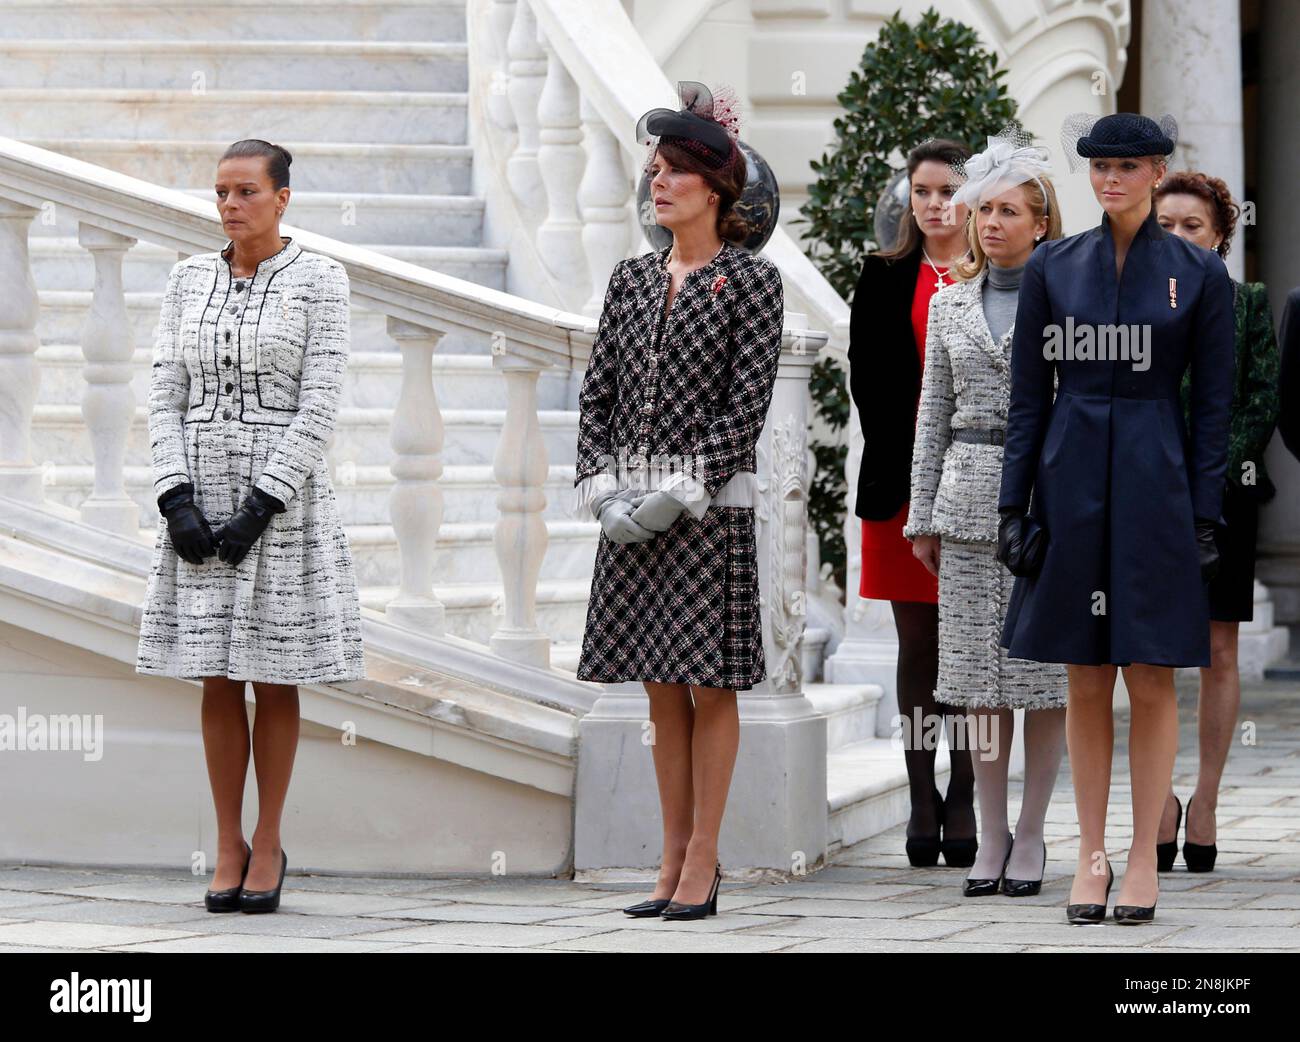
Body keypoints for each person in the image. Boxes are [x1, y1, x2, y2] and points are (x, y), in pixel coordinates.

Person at [997, 113, 1234, 925]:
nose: (1110, 180)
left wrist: (1206, 514)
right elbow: (1028, 399)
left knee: (1153, 673)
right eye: (1099, 167)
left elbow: (1215, 410)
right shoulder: (1053, 266)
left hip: (1157, 480)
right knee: (1085, 674)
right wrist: (1011, 504)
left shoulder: (1201, 277)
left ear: (1158, 170)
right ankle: (1090, 854)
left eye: (1128, 167)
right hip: (1068, 481)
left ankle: (1143, 858)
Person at [570, 83, 784, 921]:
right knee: (658, 686)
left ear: (715, 188)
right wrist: (604, 490)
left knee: (710, 686)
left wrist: (677, 493)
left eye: (672, 174)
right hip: (627, 509)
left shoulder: (751, 282)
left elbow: (747, 407)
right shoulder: (629, 279)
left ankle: (704, 858)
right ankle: (667, 855)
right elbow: (598, 397)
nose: (657, 185)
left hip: (707, 511)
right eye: (653, 172)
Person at [136, 139, 365, 914]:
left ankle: (269, 841)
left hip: (282, 504)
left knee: (274, 669)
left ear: (282, 197)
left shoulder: (320, 279)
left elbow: (321, 402)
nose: (231, 205)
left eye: (246, 191)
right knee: (216, 671)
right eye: (221, 192)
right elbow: (164, 390)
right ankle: (226, 843)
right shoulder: (185, 279)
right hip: (199, 491)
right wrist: (175, 497)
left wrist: (262, 504)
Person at [905, 129, 1068, 898]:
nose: (992, 223)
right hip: (966, 499)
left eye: (1009, 211)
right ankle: (992, 834)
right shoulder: (948, 303)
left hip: (1048, 502)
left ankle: (1033, 833)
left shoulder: (1069, 297)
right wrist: (921, 515)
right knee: (977, 681)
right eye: (985, 210)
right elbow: (931, 411)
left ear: (1041, 222)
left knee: (1044, 679)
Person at [849, 138, 978, 868]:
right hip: (898, 487)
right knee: (918, 648)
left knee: (967, 646)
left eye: (947, 191)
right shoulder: (883, 275)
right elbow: (869, 381)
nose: (934, 205)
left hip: (976, 487)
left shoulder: (995, 274)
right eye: (922, 191)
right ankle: (920, 796)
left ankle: (964, 793)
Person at [1153, 172, 1280, 872]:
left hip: (1225, 497)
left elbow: (1264, 401)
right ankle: (1160, 800)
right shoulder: (1130, 301)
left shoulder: (1247, 303)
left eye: (1192, 226)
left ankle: (1204, 801)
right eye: (1164, 224)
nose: (1176, 236)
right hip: (1144, 493)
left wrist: (1204, 473)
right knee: (1153, 653)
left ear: (1222, 235)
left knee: (1219, 648)